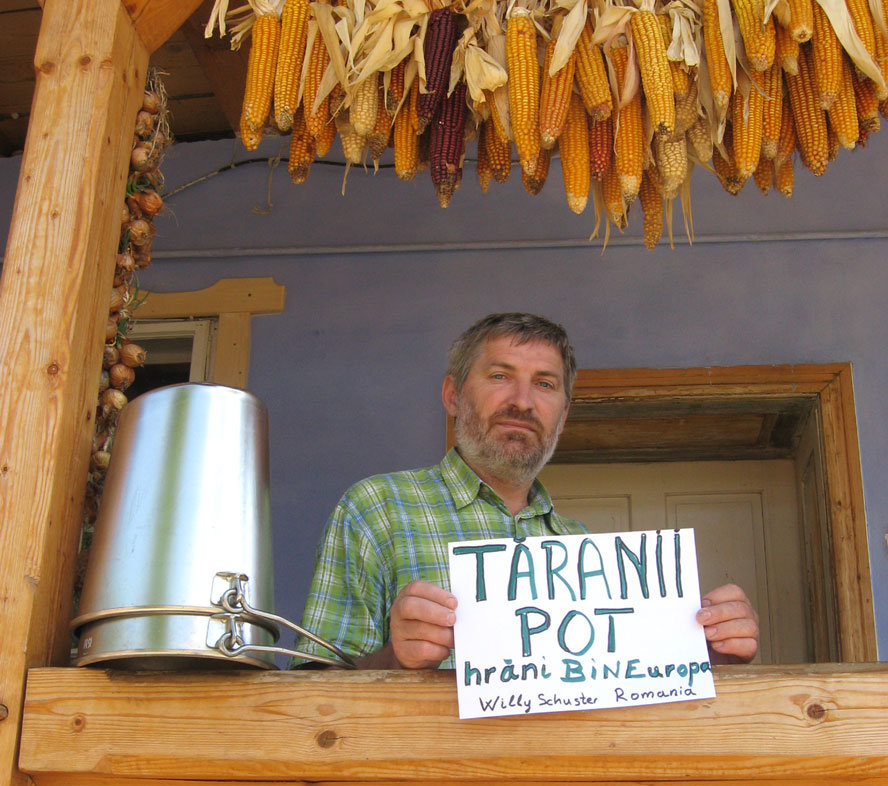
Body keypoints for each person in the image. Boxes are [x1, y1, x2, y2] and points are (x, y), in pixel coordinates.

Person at [296, 313, 760, 670]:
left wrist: (710, 654)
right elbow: (307, 694)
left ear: (562, 413)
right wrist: (395, 659)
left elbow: (629, 696)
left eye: (545, 383)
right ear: (453, 395)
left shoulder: (590, 554)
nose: (522, 400)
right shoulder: (377, 509)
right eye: (500, 376)